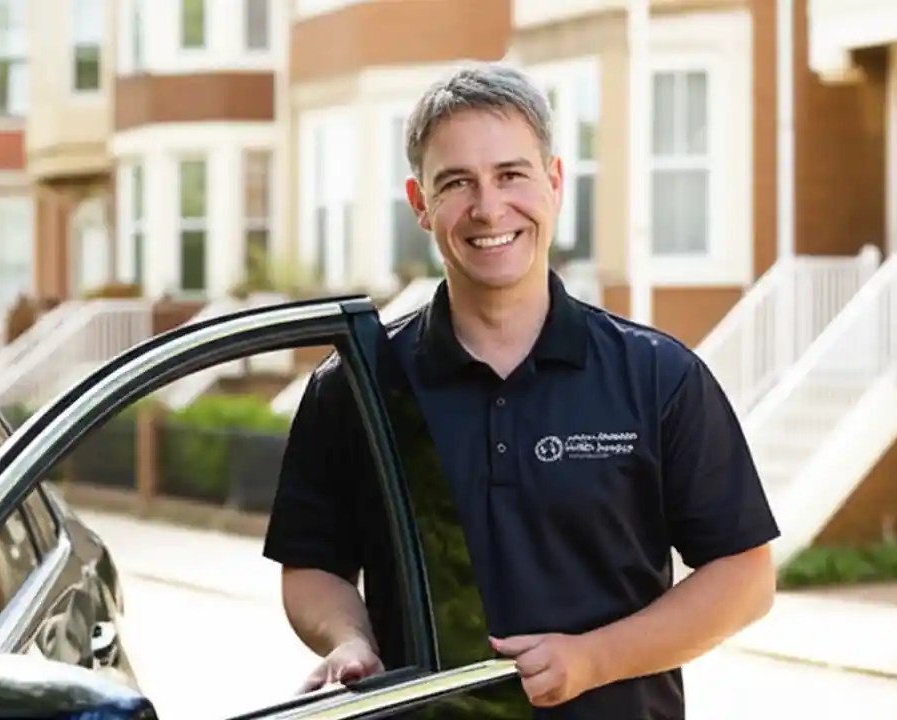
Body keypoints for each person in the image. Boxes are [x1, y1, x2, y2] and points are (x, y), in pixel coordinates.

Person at [261, 62, 780, 719]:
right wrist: (350, 640)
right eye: (456, 182)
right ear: (419, 203)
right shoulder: (356, 389)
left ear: (555, 183)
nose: (488, 207)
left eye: (511, 174)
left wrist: (594, 660)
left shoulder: (657, 376)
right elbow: (311, 568)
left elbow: (745, 577)